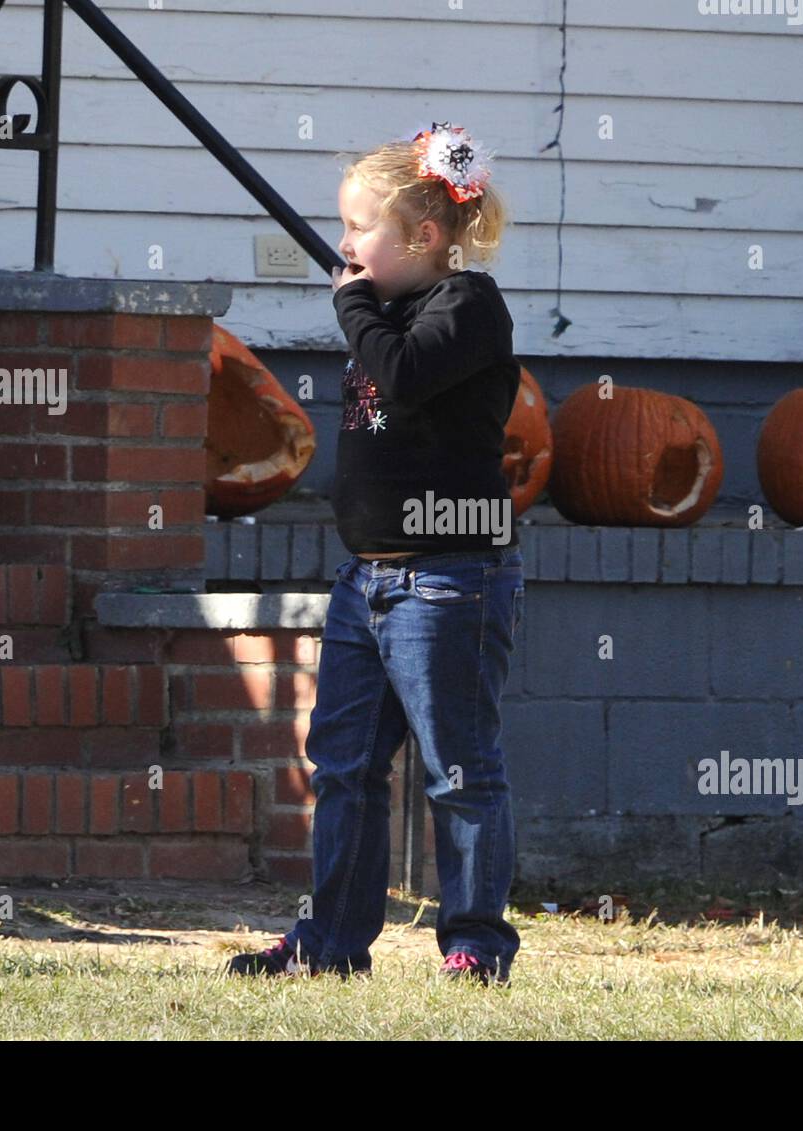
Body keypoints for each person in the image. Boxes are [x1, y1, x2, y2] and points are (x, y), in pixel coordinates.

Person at [227, 122, 524, 987]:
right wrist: (365, 300)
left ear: (425, 238)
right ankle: (330, 941)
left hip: (449, 576)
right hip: (366, 579)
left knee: (458, 767)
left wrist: (350, 301)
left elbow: (400, 376)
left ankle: (475, 943)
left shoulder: (469, 308)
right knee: (346, 763)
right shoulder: (387, 310)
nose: (345, 244)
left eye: (361, 228)